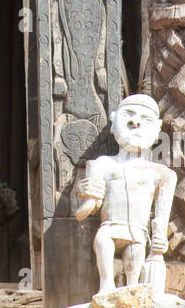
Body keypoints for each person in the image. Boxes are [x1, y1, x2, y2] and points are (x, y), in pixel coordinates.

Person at [74, 93, 176, 295]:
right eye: (128, 115)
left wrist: (160, 239)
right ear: (113, 124)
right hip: (110, 227)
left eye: (144, 119)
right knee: (103, 241)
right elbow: (85, 211)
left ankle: (132, 289)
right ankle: (106, 285)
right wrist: (84, 194)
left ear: (157, 130)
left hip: (138, 233)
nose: (135, 122)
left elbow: (161, 217)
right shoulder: (101, 164)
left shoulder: (163, 175)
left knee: (136, 260)